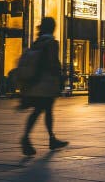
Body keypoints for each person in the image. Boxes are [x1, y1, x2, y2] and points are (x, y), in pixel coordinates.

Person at [19, 17, 68, 156]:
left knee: (43, 110)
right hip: (46, 84)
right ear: (52, 28)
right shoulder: (51, 43)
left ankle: (50, 138)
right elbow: (53, 63)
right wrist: (61, 76)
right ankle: (28, 138)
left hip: (35, 83)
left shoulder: (37, 42)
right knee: (42, 110)